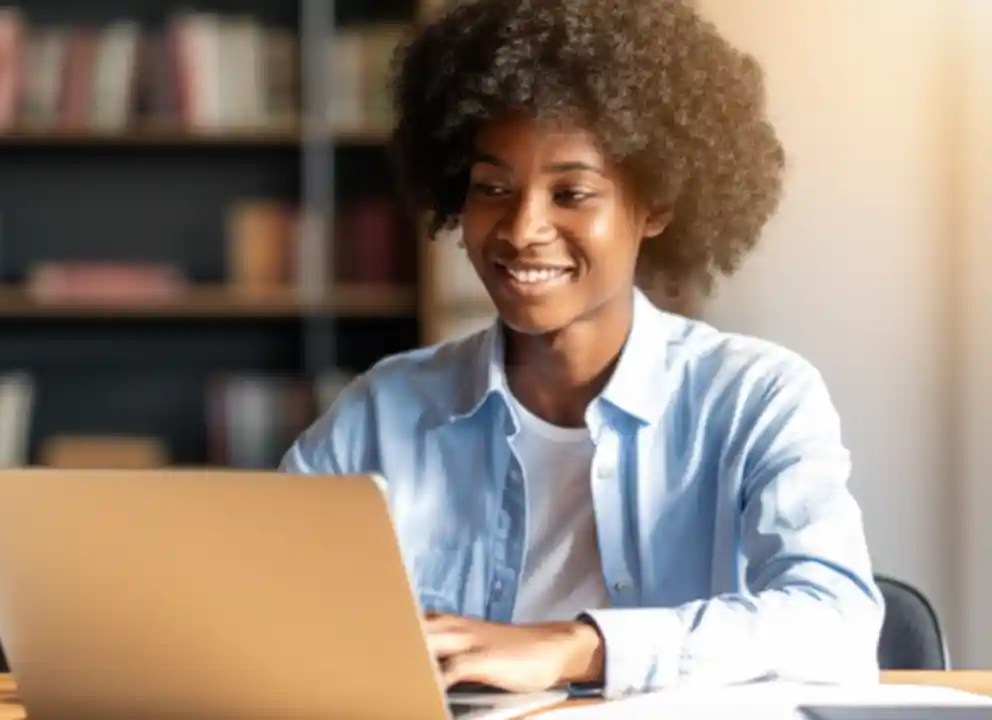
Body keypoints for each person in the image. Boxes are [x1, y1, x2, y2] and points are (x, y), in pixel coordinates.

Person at [280, 0, 883, 699]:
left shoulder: (756, 398)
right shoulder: (383, 413)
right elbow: (265, 612)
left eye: (571, 193)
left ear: (656, 206)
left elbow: (836, 624)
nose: (522, 229)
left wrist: (579, 647)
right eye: (492, 189)